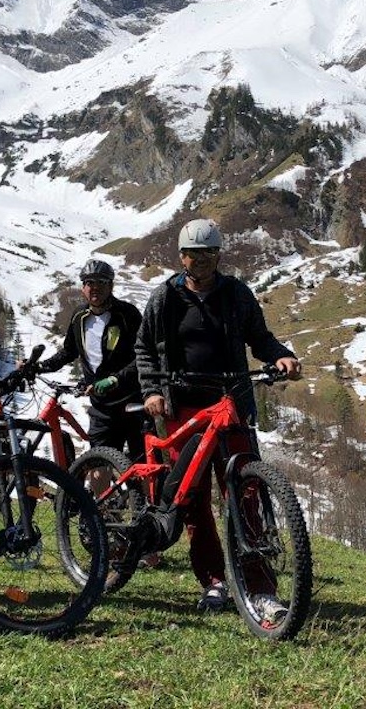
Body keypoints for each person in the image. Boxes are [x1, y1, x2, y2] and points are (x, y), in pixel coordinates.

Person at [135, 219, 301, 613]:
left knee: (246, 495)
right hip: (185, 411)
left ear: (218, 255)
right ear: (182, 257)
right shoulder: (165, 298)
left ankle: (260, 589)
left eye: (209, 253)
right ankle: (213, 582)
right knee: (193, 501)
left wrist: (280, 354)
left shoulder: (236, 295)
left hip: (231, 407)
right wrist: (153, 391)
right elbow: (144, 348)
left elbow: (259, 337)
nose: (202, 260)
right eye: (194, 254)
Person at [35, 258, 146, 459]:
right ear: (82, 288)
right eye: (89, 283)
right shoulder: (79, 317)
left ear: (111, 285)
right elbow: (68, 352)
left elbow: (144, 356)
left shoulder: (128, 314)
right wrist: (39, 366)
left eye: (101, 282)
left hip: (133, 404)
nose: (94, 288)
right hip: (101, 408)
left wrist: (115, 379)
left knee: (144, 467)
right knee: (97, 467)